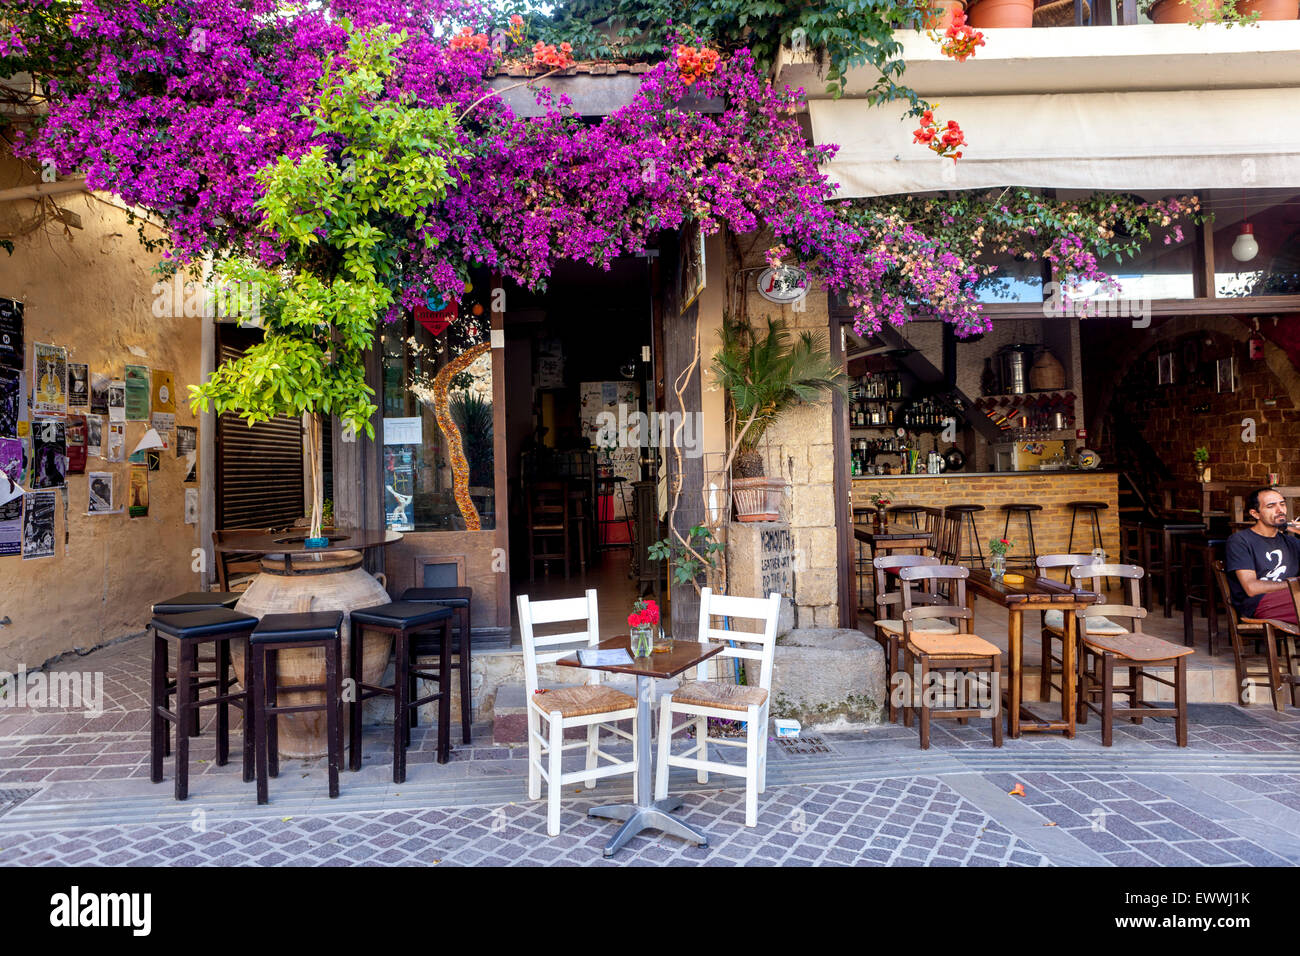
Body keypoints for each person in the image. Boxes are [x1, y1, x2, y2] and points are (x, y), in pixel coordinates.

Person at [1225, 486, 1300, 624]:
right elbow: (1252, 588)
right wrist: (1294, 584)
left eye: (1282, 504)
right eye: (1271, 506)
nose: (1280, 510)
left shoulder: (1292, 542)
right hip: (1260, 604)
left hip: (1292, 599)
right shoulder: (1240, 541)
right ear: (1255, 514)